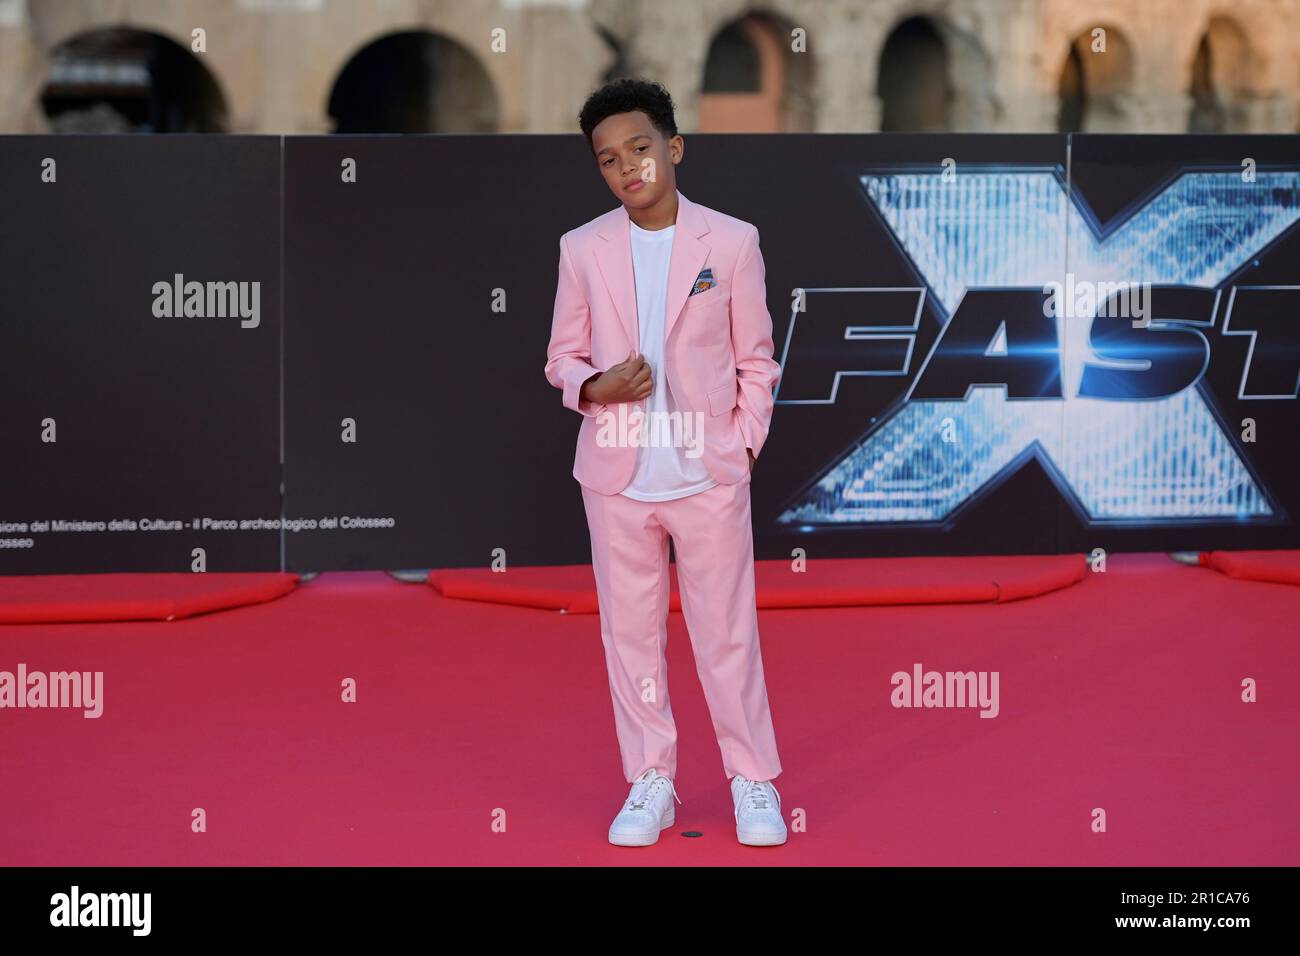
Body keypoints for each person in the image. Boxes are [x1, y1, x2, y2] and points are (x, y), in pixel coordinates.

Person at [543, 78, 786, 847]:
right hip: (616, 479)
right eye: (609, 160)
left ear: (673, 148)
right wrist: (592, 385)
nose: (628, 169)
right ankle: (652, 779)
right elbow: (561, 355)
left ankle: (753, 782)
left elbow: (757, 359)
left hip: (707, 474)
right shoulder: (581, 248)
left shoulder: (734, 241)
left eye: (641, 149)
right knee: (630, 637)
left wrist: (742, 446)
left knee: (726, 635)